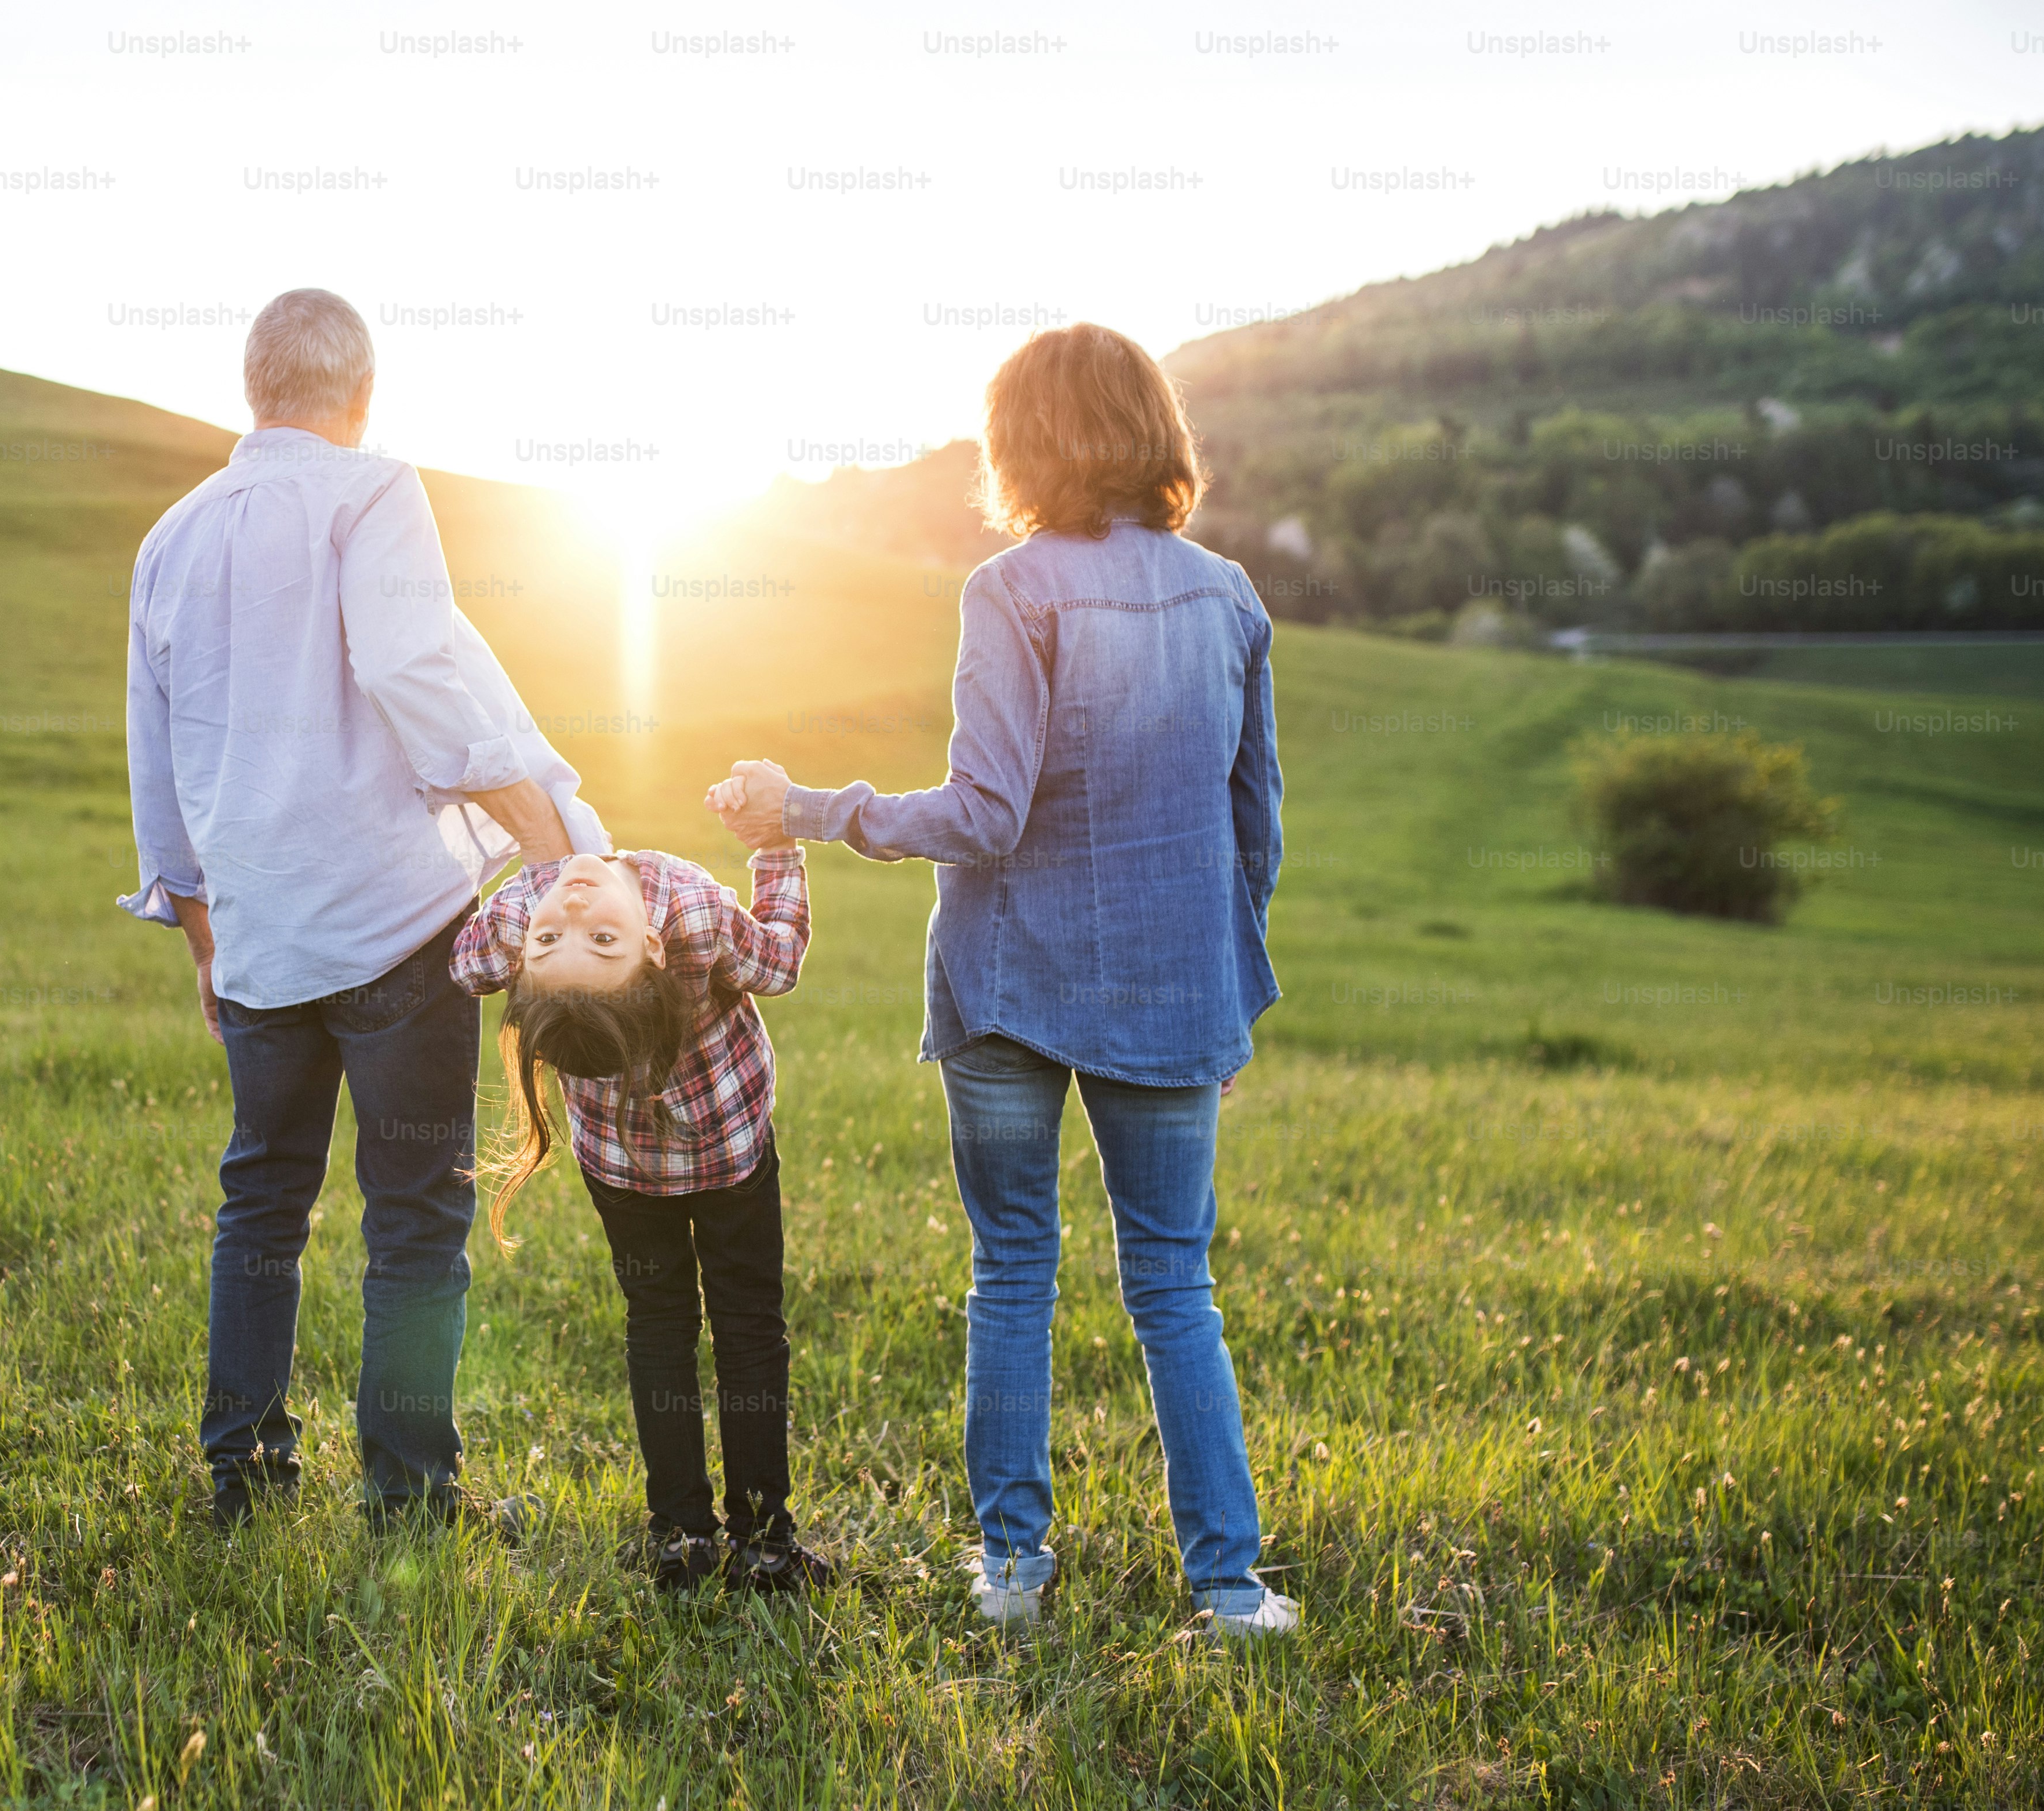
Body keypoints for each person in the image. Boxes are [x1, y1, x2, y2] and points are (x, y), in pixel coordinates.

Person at [710, 322, 1296, 1635]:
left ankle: (1014, 1570)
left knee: (1013, 1268)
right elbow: (1256, 824)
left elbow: (982, 818)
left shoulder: (1011, 589)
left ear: (1018, 444)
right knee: (1173, 1281)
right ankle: (1228, 1585)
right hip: (1167, 989)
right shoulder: (1232, 597)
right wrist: (1218, 963)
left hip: (1008, 980)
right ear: (1156, 433)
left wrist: (809, 804)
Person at [120, 287, 609, 1530]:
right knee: (414, 1219)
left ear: (254, 388)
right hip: (398, 924)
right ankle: (405, 1494)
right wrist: (540, 832)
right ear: (363, 394)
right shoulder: (372, 490)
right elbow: (409, 666)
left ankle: (242, 1470)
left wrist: (200, 937)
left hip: (260, 935)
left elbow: (156, 757)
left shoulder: (170, 536)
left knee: (261, 1201)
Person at [449, 797, 832, 1593]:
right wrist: (776, 851)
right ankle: (759, 1544)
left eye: (566, 940)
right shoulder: (688, 908)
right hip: (725, 1149)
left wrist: (524, 929)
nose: (573, 913)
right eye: (586, 940)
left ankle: (682, 1539)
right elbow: (779, 964)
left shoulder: (525, 911)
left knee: (662, 1326)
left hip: (627, 1166)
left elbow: (465, 966)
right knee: (746, 1327)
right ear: (654, 943)